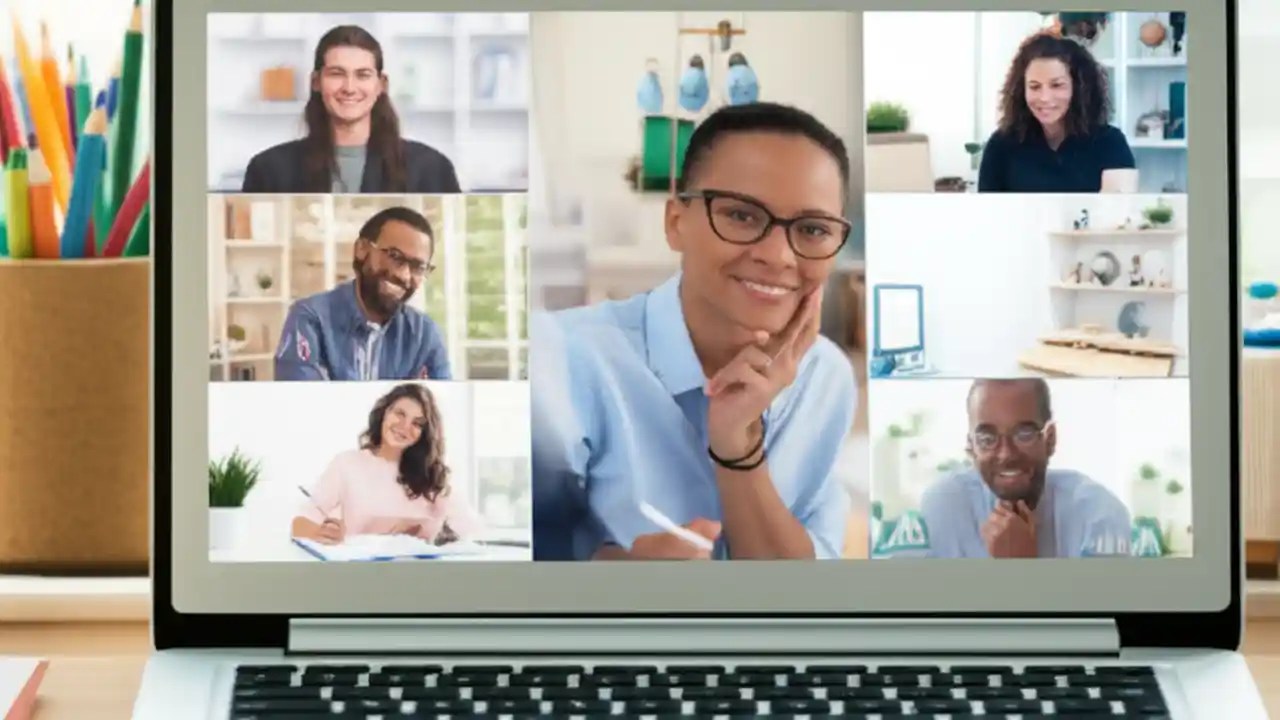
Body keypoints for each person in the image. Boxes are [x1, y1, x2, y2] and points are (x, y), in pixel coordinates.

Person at [530, 102, 858, 561]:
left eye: (812, 229)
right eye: (742, 216)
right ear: (676, 222)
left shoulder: (825, 377)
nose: (779, 256)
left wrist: (737, 447)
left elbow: (797, 599)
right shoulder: (563, 360)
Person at [918, 378, 1132, 558]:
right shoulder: (940, 510)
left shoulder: (1099, 515)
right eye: (987, 438)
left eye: (1024, 435)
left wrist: (1023, 571)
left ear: (1050, 440)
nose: (1006, 454)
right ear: (970, 447)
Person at [241, 25, 461, 194]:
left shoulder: (431, 168)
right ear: (316, 82)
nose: (349, 88)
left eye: (363, 75)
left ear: (381, 85)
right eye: (337, 73)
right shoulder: (268, 169)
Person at [291, 383, 482, 545]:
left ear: (424, 434)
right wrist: (322, 534)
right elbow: (300, 522)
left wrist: (435, 532)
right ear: (384, 412)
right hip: (363, 576)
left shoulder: (430, 475)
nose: (404, 427)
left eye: (417, 423)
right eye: (400, 414)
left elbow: (471, 531)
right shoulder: (347, 464)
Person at [274, 205, 450, 381]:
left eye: (418, 267)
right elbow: (303, 403)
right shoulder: (311, 319)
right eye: (394, 256)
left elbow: (439, 403)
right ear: (362, 249)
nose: (403, 275)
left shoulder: (424, 334)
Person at [978, 32, 1136, 193]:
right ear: (1021, 90)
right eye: (1034, 86)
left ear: (1080, 88)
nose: (1044, 98)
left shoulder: (1110, 143)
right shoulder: (1001, 144)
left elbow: (1120, 213)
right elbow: (988, 213)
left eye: (1057, 85)